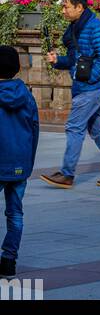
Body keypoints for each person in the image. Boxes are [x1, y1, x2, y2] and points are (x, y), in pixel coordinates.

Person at [40, 0, 100, 189]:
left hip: (90, 87)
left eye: (66, 7)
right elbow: (76, 60)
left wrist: (89, 78)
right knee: (99, 131)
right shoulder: (75, 27)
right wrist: (58, 61)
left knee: (74, 128)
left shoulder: (95, 27)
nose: (63, 11)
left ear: (79, 7)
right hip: (83, 86)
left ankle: (67, 174)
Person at [0, 46, 39, 276]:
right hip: (19, 163)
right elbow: (34, 130)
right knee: (15, 213)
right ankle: (9, 260)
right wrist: (28, 163)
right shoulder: (26, 96)